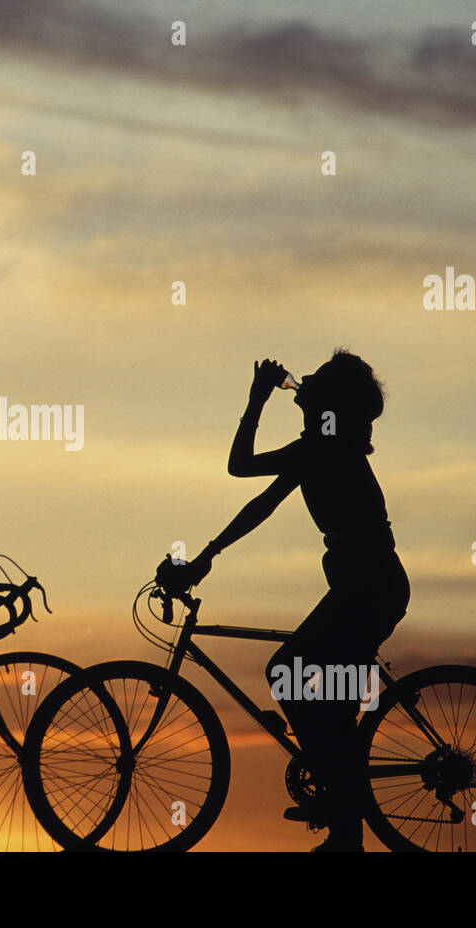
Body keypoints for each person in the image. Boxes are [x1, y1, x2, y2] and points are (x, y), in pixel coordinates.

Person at [155, 350, 410, 851]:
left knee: (287, 673)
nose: (305, 379)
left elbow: (241, 469)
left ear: (329, 402)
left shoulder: (323, 446)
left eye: (316, 379)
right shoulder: (322, 446)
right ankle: (344, 829)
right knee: (328, 705)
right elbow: (260, 502)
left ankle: (342, 813)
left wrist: (256, 400)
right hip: (368, 587)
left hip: (366, 588)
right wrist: (208, 555)